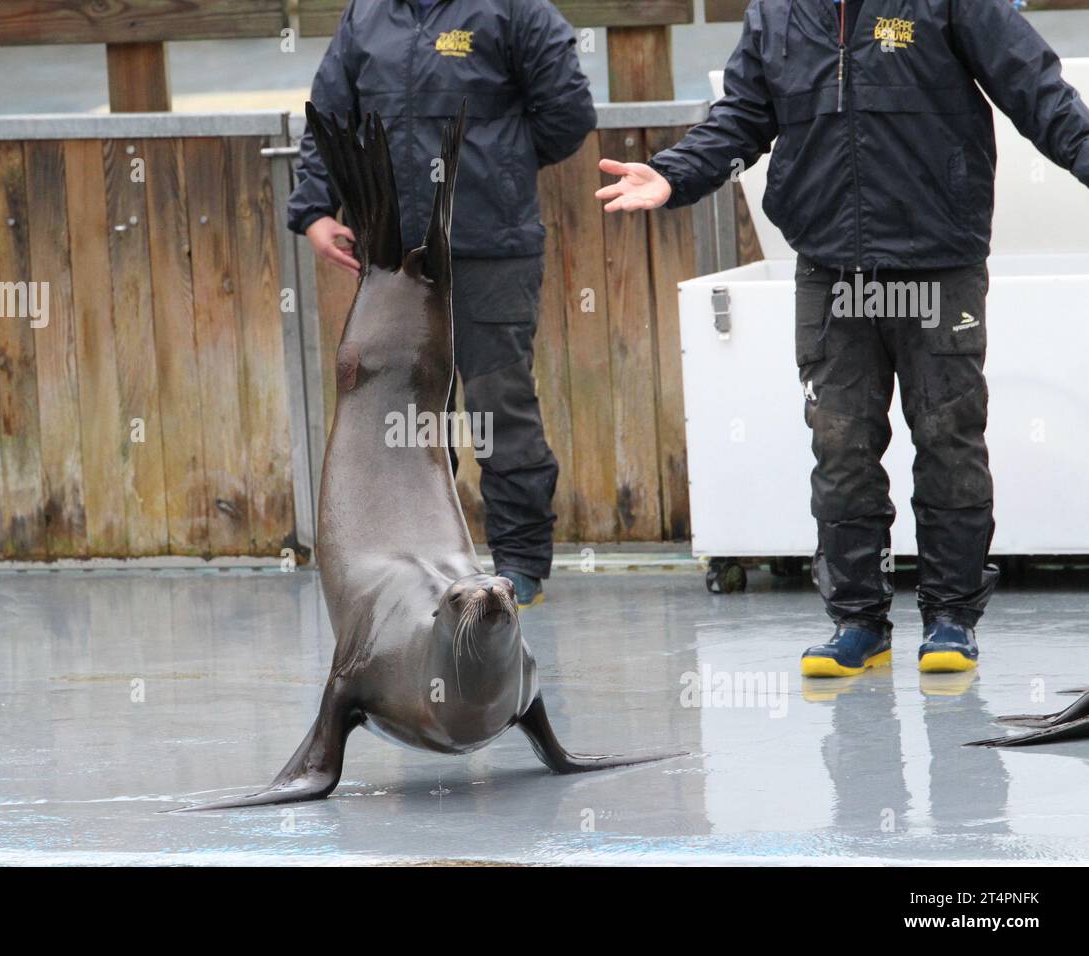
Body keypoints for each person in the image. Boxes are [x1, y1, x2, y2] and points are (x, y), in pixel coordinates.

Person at [596, 0, 1089, 674]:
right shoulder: (775, 14)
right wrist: (675, 173)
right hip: (830, 270)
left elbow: (1036, 89)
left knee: (948, 439)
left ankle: (950, 618)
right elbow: (742, 119)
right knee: (841, 450)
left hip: (938, 263)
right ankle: (857, 622)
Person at [289, 0, 596, 609]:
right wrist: (314, 211)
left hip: (489, 248)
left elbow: (568, 112)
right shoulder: (365, 15)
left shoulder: (516, 11)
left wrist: (499, 162)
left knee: (499, 404)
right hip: (394, 256)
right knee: (404, 413)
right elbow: (330, 115)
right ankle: (418, 559)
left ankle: (520, 562)